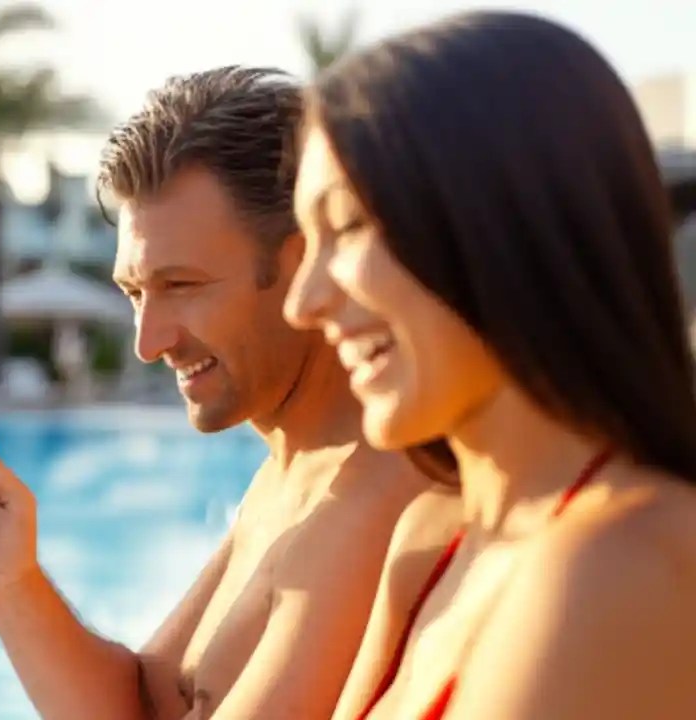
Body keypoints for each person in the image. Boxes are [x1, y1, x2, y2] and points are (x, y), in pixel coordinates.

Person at [0, 66, 447, 720]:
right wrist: (12, 587)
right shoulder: (294, 473)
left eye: (180, 286)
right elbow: (143, 704)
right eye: (132, 292)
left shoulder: (377, 490)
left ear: (303, 264)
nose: (146, 341)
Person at [283, 11, 696, 719]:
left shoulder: (619, 568)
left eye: (347, 224)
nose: (303, 301)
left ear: (506, 219)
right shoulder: (432, 546)